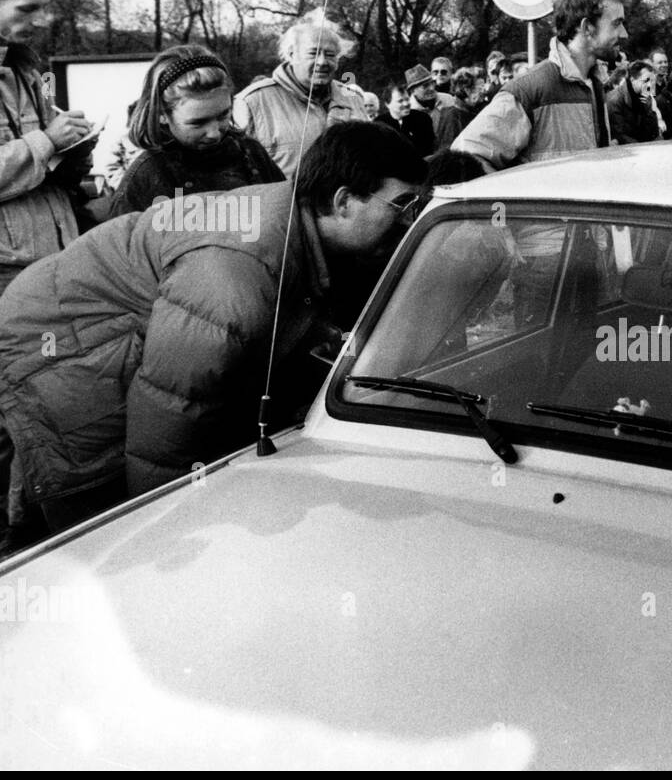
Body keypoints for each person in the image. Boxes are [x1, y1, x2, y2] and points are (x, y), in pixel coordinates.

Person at [0, 122, 427, 535]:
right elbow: (169, 416)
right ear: (343, 201)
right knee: (100, 529)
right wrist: (167, 525)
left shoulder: (292, 222)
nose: (411, 221)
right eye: (403, 205)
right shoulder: (235, 273)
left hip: (88, 326)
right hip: (54, 346)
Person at [0, 0, 98, 549]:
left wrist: (71, 146)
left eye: (43, 9)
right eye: (26, 9)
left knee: (41, 404)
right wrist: (44, 144)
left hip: (47, 264)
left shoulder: (23, 68)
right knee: (9, 413)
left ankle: (30, 536)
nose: (41, 21)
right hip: (5, 273)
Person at [452, 0, 628, 169]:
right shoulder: (530, 91)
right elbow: (464, 158)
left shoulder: (594, 84)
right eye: (616, 23)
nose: (624, 34)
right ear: (587, 28)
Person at [107, 45, 284, 218]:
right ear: (162, 114)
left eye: (223, 115)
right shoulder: (147, 175)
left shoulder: (251, 153)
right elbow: (120, 245)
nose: (214, 133)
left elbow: (285, 217)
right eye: (198, 123)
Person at [232, 14, 367, 179]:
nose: (322, 62)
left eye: (331, 55)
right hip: (287, 203)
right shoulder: (252, 102)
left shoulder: (352, 97)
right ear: (291, 55)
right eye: (313, 53)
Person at [405, 64, 464, 153]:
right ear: (413, 91)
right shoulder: (407, 112)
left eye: (432, 83)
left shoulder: (448, 99)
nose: (432, 88)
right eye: (425, 86)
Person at [373, 78, 434, 157]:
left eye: (407, 99)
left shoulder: (422, 119)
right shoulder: (379, 124)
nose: (406, 104)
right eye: (400, 101)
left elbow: (428, 149)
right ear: (387, 104)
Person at [606, 59, 660, 144]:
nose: (650, 85)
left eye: (652, 81)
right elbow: (619, 135)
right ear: (632, 80)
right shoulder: (615, 100)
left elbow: (653, 132)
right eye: (647, 80)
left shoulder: (646, 96)